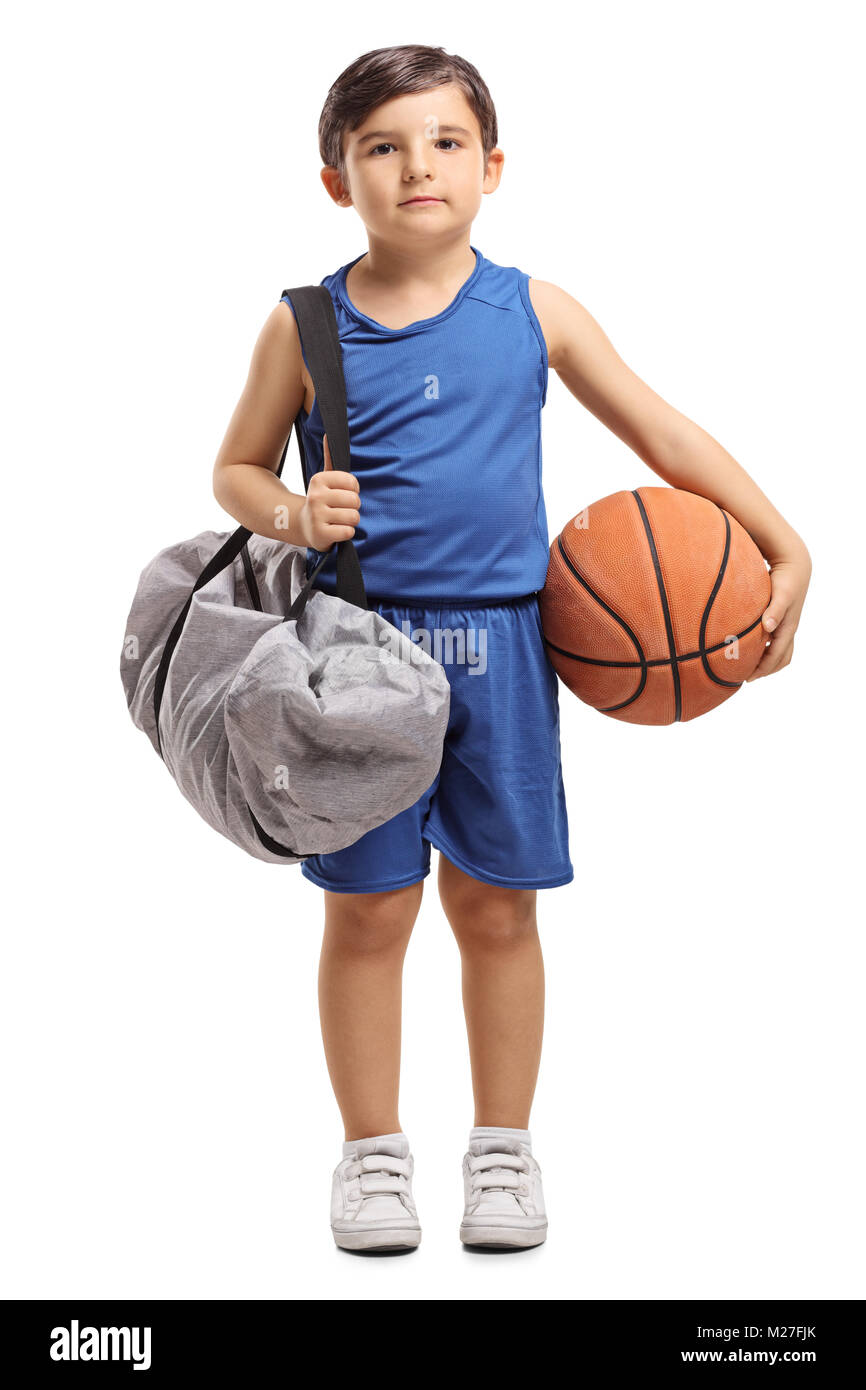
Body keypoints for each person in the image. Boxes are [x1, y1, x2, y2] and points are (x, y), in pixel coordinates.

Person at [212, 44, 812, 1252]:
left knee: (496, 909)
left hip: (504, 651)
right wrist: (289, 511)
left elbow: (660, 428)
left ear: (490, 168)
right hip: (356, 662)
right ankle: (372, 1156)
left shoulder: (533, 308)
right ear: (336, 179)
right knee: (366, 913)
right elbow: (232, 468)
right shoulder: (302, 324)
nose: (413, 166)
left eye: (440, 142)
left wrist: (781, 542)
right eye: (380, 146)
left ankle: (502, 1151)